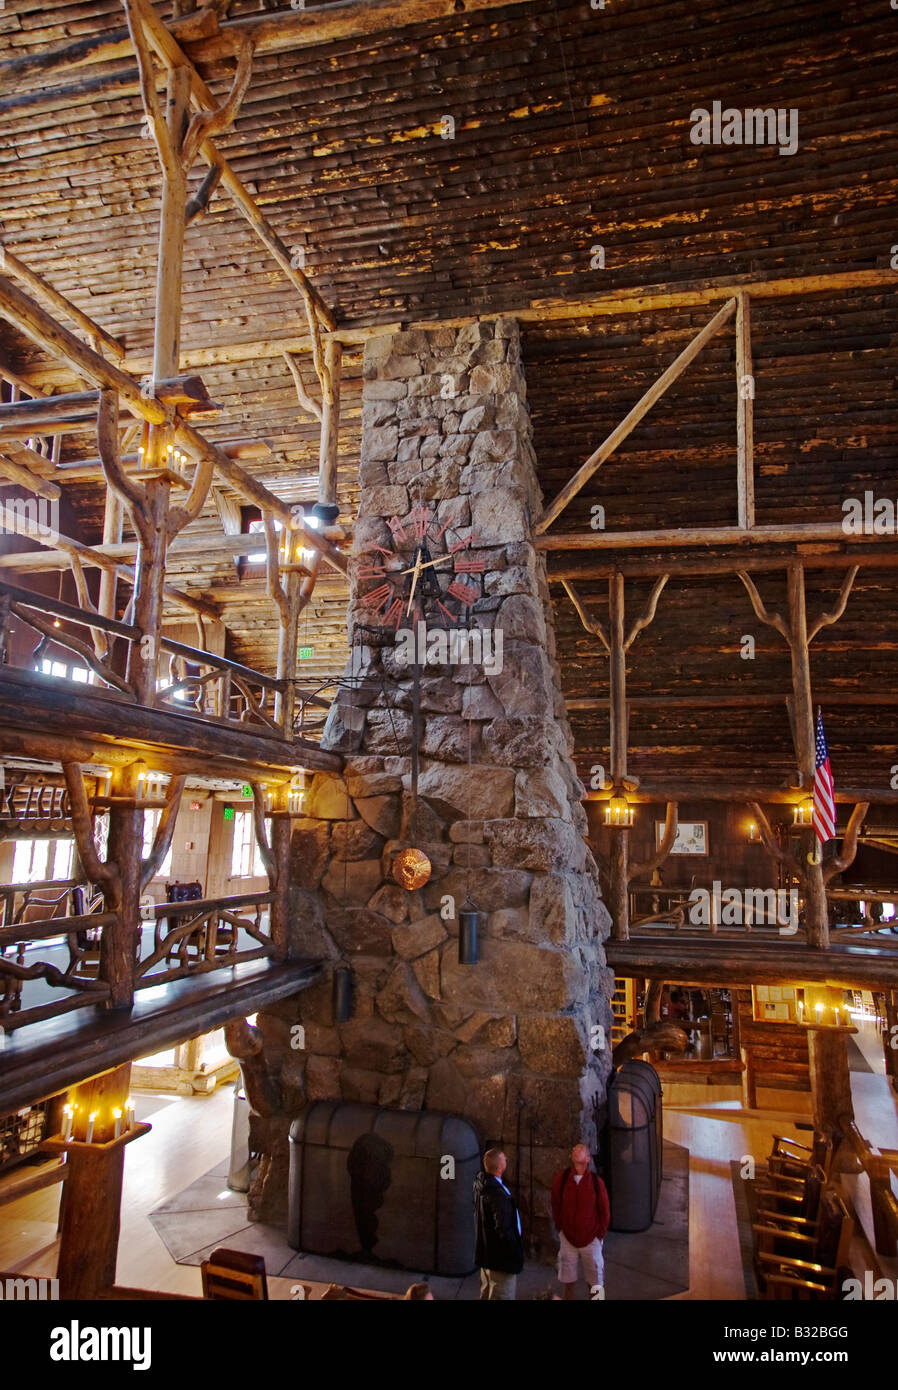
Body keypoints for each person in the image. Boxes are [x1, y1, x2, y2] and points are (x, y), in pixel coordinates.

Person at [551, 1143, 610, 1301]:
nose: (577, 1150)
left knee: (596, 1282)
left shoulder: (597, 1183)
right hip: (568, 1238)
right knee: (568, 1281)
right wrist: (561, 1230)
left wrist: (599, 1236)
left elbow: (605, 1212)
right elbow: (555, 1204)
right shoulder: (561, 1179)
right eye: (575, 1151)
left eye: (581, 1151)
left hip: (591, 1240)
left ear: (588, 1159)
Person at [473, 1147, 525, 1300]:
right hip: (501, 1261)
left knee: (486, 1293)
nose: (507, 1160)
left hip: (487, 1256)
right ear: (500, 1167)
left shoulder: (481, 1185)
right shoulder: (497, 1194)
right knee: (502, 1295)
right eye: (504, 1159)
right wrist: (515, 1253)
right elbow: (504, 1228)